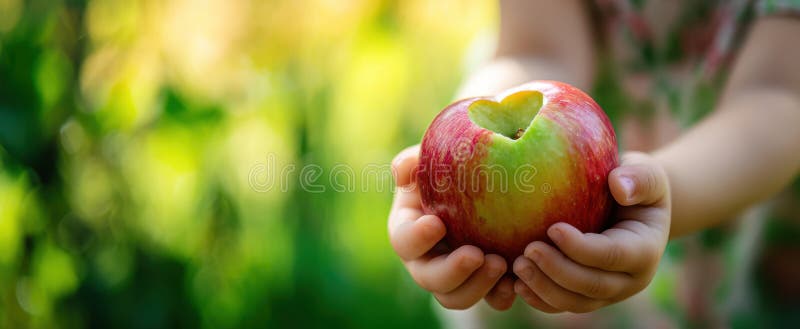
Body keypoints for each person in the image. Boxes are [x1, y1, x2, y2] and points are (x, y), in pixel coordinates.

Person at [388, 0, 800, 327]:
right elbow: (537, 49)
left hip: (724, 187)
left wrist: (659, 192)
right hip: (542, 240)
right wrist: (452, 160)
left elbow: (777, 97)